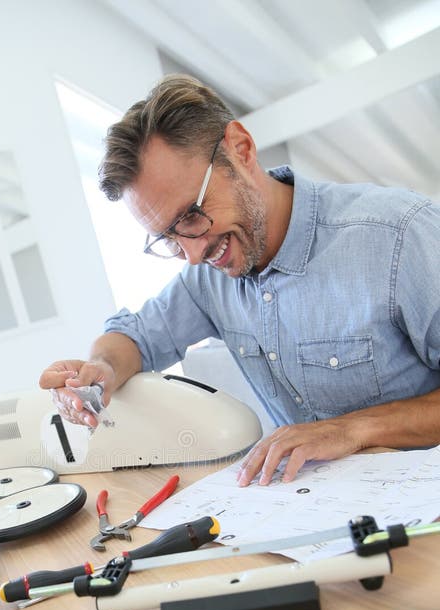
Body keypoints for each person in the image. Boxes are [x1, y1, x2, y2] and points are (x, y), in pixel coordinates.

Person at [40, 74, 440, 485]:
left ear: (241, 149)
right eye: (168, 238)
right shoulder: (206, 279)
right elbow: (135, 337)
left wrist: (353, 429)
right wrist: (100, 369)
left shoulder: (399, 234)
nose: (192, 255)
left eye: (191, 215)